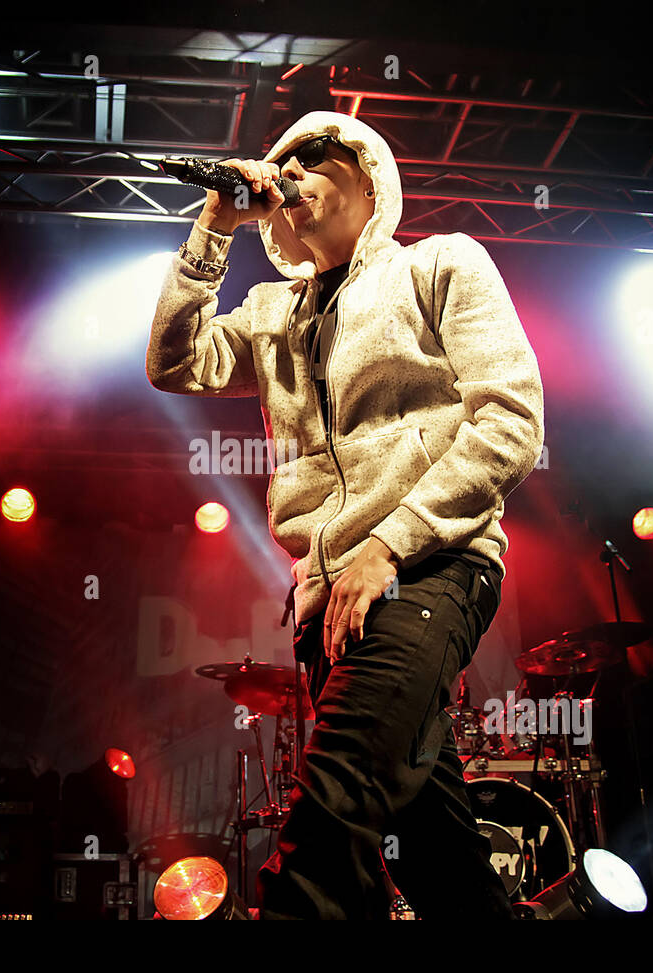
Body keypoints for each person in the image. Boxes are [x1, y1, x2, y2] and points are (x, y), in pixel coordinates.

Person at [147, 110, 544, 919]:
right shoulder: (269, 311)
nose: (289, 173)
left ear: (369, 175)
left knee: (329, 815)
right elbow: (174, 363)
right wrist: (217, 222)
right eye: (279, 163)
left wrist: (389, 547)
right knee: (433, 848)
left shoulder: (441, 264)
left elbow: (511, 421)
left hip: (428, 569)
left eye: (314, 157)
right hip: (329, 602)